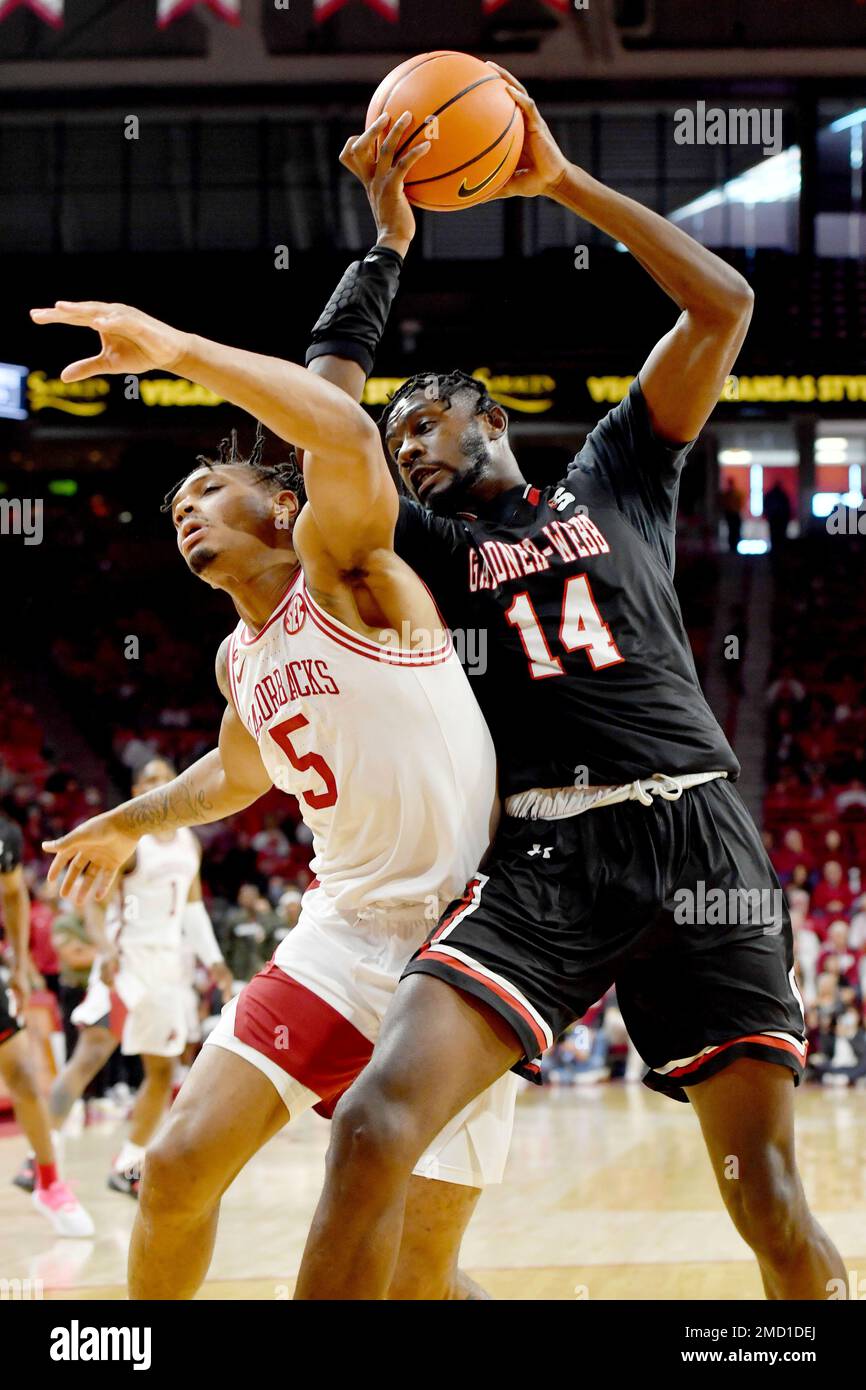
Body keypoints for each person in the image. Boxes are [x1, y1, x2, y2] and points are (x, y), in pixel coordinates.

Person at [273, 66, 842, 1300]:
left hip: (696, 833)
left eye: (427, 420)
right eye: (398, 434)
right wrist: (385, 250)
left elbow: (721, 305)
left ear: (492, 420)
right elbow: (322, 425)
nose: (408, 444)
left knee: (769, 1208)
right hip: (541, 860)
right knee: (372, 1123)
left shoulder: (614, 473)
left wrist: (561, 180)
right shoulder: (421, 546)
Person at [33, 177, 515, 1299]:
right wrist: (122, 817)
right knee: (174, 1171)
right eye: (174, 508)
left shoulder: (350, 572)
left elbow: (337, 420)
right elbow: (231, 776)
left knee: (414, 1278)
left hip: (467, 943)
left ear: (279, 505)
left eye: (206, 486)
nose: (184, 508)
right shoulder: (236, 658)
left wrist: (163, 345)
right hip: (344, 932)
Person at [15, 758, 233, 1199]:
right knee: (91, 1053)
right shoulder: (133, 841)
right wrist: (107, 950)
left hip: (168, 969)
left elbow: (191, 909)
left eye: (164, 777)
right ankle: (40, 1159)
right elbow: (94, 904)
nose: (158, 784)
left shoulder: (189, 843)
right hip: (126, 963)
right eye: (149, 779)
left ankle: (129, 1165)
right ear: (138, 789)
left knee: (161, 1070)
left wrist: (214, 961)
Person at [0, 811, 93, 1235]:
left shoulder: (5, 836)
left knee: (21, 1071)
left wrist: (20, 966)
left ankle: (48, 1182)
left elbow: (14, 894)